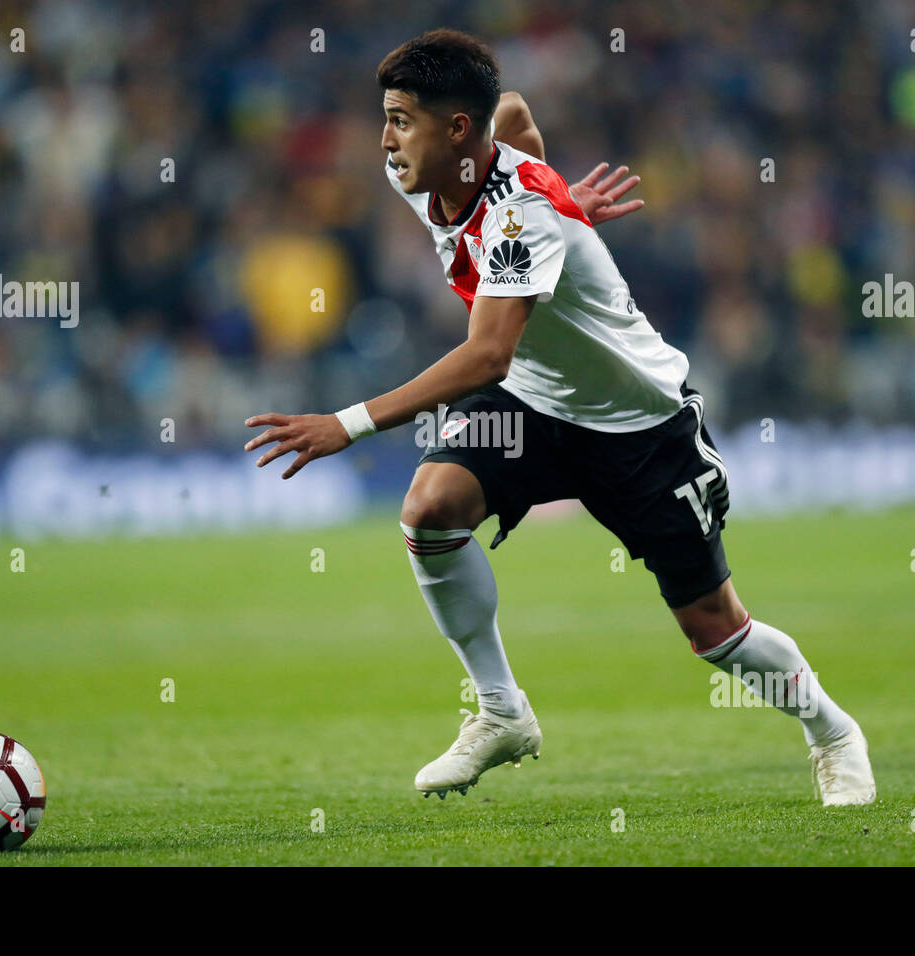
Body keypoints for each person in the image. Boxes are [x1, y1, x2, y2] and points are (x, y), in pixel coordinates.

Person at [245, 28, 875, 806]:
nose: (385, 139)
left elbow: (485, 358)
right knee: (431, 508)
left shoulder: (519, 220)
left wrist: (348, 423)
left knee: (715, 630)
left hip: (639, 426)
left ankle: (832, 730)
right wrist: (564, 199)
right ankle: (502, 711)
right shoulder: (433, 168)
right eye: (387, 116)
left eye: (402, 119)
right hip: (535, 407)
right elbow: (511, 110)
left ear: (455, 131)